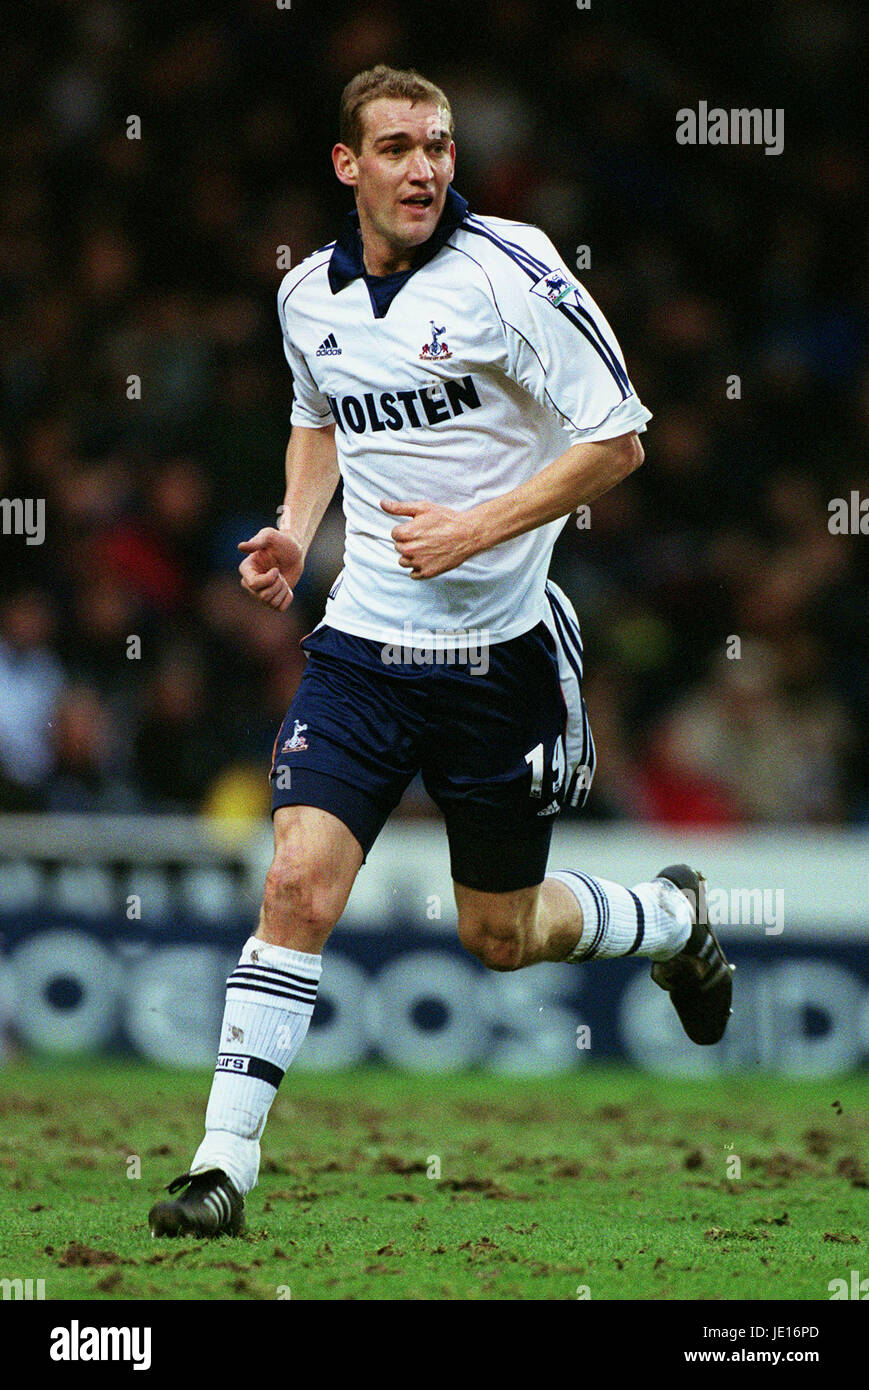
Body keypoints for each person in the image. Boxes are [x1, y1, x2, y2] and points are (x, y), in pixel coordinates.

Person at [148, 65, 733, 1239]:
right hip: (361, 646)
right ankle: (220, 1167)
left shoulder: (512, 274)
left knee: (497, 936)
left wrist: (476, 525)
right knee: (296, 885)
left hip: (498, 660)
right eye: (399, 146)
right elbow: (318, 413)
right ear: (346, 165)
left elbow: (616, 440)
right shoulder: (306, 294)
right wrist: (295, 529)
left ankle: (669, 920)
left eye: (440, 145)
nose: (424, 167)